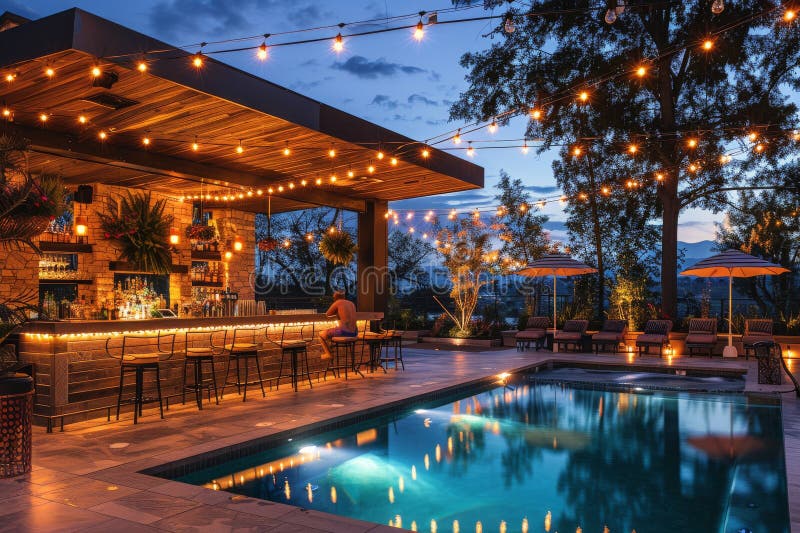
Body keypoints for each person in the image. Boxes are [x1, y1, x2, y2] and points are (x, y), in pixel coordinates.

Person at [319, 290, 358, 358]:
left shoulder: (338, 302)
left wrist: (337, 311)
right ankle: (331, 348)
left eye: (333, 297)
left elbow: (328, 314)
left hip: (344, 332)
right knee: (332, 333)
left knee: (321, 334)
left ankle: (329, 354)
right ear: (344, 297)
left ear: (335, 297)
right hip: (355, 333)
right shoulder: (351, 303)